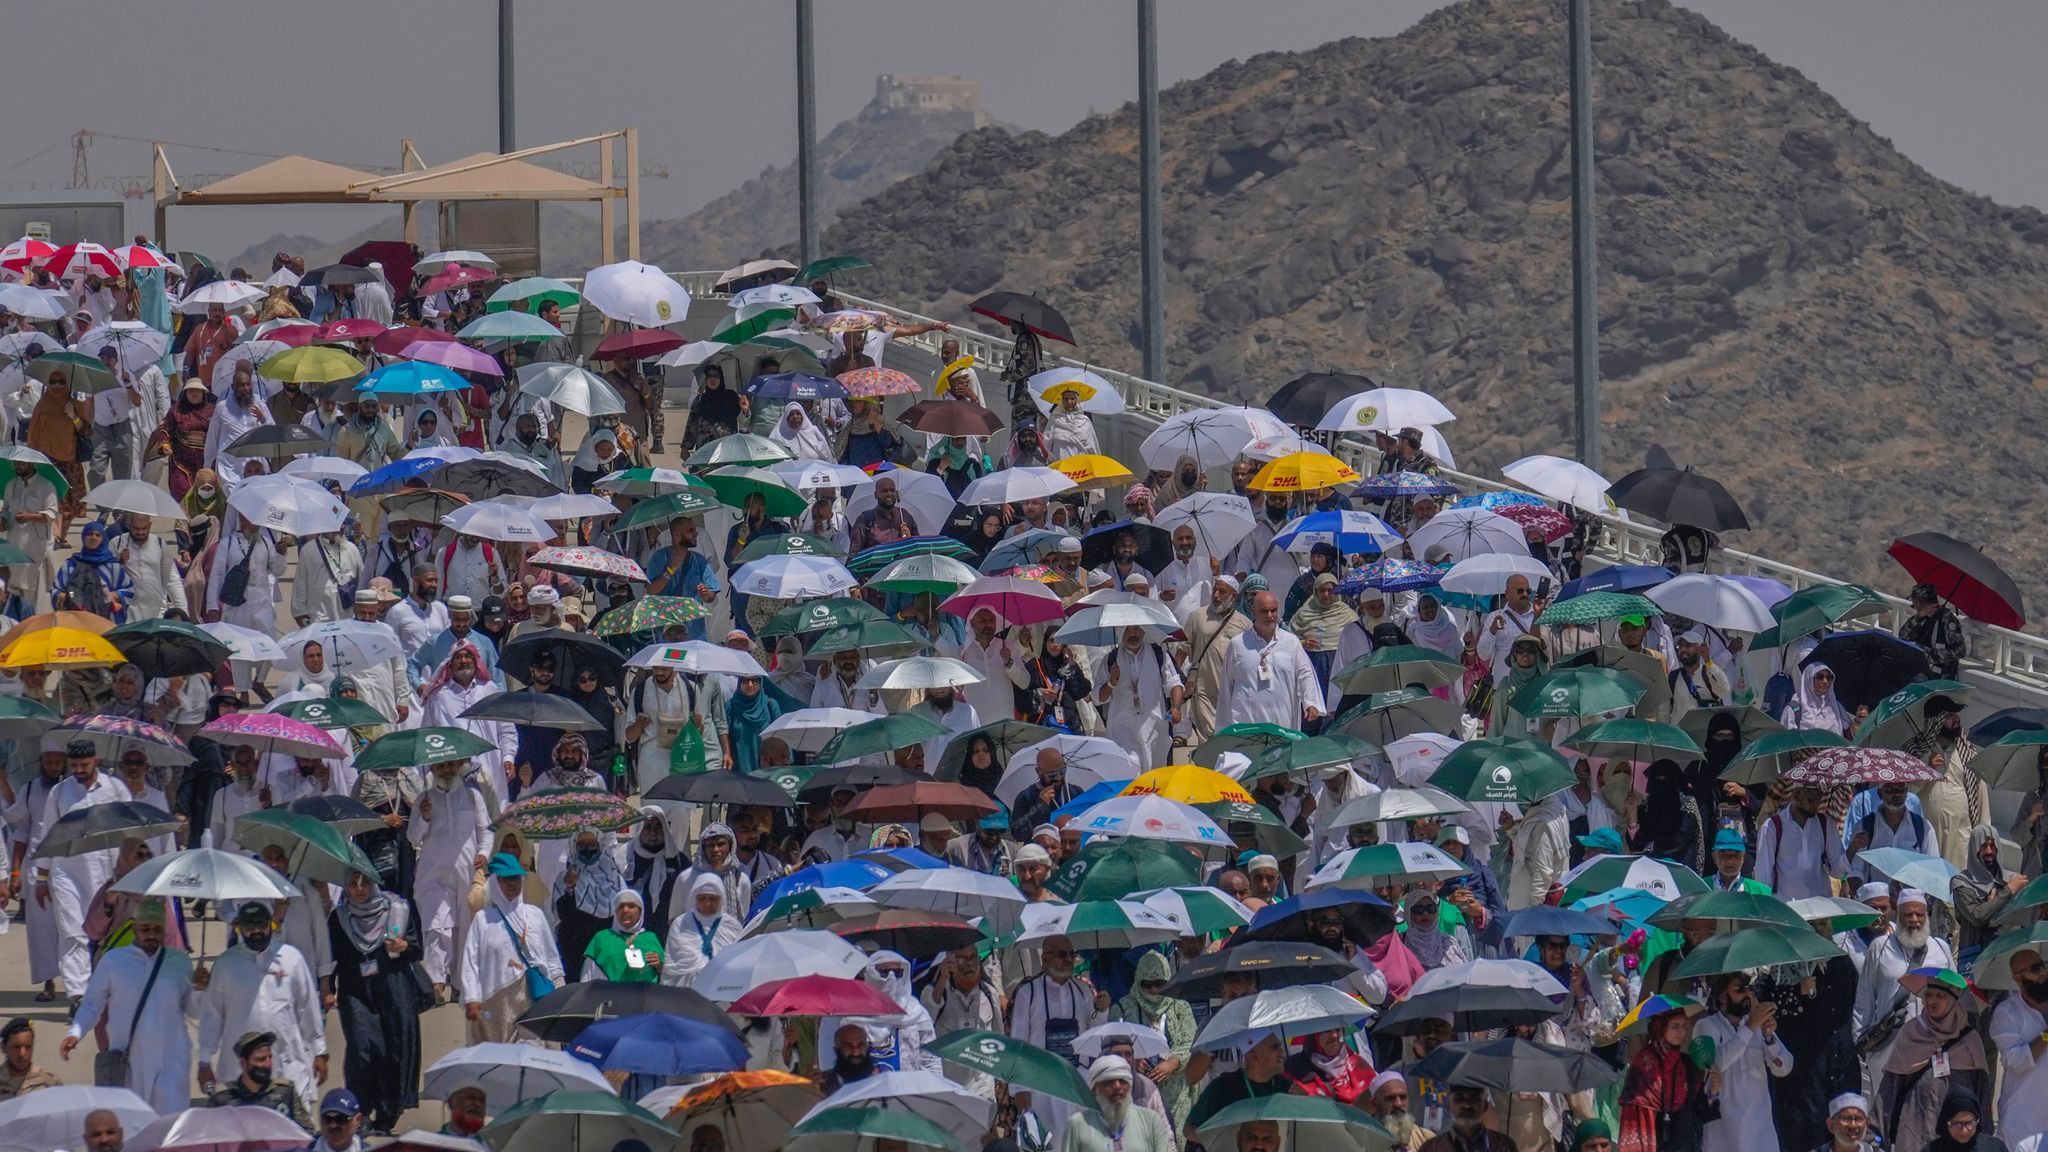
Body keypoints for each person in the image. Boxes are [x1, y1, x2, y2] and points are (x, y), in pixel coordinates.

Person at [61, 897, 194, 1113]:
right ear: (134, 927)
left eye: (157, 929)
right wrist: (75, 1032)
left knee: (170, 1130)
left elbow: (194, 1011)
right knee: (133, 1129)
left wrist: (199, 988)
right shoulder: (114, 960)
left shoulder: (179, 962)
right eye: (145, 929)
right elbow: (92, 1004)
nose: (151, 935)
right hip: (129, 1060)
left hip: (171, 1061)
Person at [197, 901, 327, 1108]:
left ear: (271, 925)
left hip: (286, 1062)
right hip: (238, 1068)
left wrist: (320, 1051)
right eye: (249, 926)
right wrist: (204, 1061)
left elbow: (307, 1008)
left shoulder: (291, 959)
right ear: (238, 927)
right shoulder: (225, 964)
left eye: (261, 925)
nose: (256, 931)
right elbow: (212, 1015)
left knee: (293, 1132)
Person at [33, 739, 133, 1004]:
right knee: (72, 932)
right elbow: (48, 835)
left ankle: (107, 989)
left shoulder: (116, 789)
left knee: (108, 933)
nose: (78, 769)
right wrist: (41, 877)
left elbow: (131, 833)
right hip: (67, 872)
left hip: (107, 873)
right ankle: (78, 995)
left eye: (84, 764)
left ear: (96, 761)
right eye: (74, 765)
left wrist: (130, 872)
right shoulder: (59, 793)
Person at [327, 869, 426, 1136]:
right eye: (352, 884)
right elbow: (332, 957)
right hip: (355, 992)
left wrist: (403, 946)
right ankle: (360, 1111)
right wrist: (326, 987)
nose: (358, 890)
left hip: (393, 990)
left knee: (393, 1050)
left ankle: (387, 1112)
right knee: (362, 1049)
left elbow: (418, 949)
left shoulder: (398, 910)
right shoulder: (340, 918)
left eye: (364, 883)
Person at [408, 757, 492, 1000]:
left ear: (458, 766)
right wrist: (423, 818)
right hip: (433, 874)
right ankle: (435, 983)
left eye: (449, 765)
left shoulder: (472, 796)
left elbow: (485, 830)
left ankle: (460, 983)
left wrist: (483, 853)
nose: (445, 770)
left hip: (466, 872)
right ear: (432, 769)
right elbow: (413, 838)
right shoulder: (424, 800)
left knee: (463, 929)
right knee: (436, 926)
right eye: (440, 765)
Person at [459, 853, 564, 1043]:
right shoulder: (483, 919)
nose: (511, 884)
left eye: (515, 878)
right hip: (493, 1001)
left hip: (531, 995)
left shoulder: (535, 915)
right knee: (494, 1057)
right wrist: (472, 998)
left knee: (530, 1051)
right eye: (505, 879)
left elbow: (551, 957)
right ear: (495, 883)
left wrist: (558, 992)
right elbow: (470, 961)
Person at [1693, 973, 1792, 1152]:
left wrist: (1768, 1036)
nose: (1747, 994)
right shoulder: (1705, 1026)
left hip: (1760, 1130)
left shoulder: (1756, 1026)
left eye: (1749, 989)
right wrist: (1750, 1027)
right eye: (1739, 990)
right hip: (1723, 1131)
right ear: (1723, 997)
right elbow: (1715, 1064)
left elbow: (1784, 1067)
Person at [1215, 591, 1324, 730]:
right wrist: (1223, 726)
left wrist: (1310, 703)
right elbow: (1226, 685)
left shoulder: (1291, 642)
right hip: (1245, 726)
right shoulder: (1238, 644)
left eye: (1273, 611)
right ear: (1253, 611)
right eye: (1264, 611)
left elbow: (1305, 674)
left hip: (1282, 724)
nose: (1269, 616)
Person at [1620, 1008, 1709, 1152]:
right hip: (1652, 1137)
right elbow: (1635, 1113)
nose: (1681, 1032)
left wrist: (1714, 1089)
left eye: (1684, 1026)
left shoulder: (1686, 1063)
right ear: (1659, 1028)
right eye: (1675, 1026)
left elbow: (1699, 1106)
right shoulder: (1644, 1064)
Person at [1064, 1056, 1175, 1152]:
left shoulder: (1150, 1120)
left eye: (1122, 1081)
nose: (1117, 1086)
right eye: (1109, 1082)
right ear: (1094, 1089)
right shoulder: (1078, 1124)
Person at [207, 1031, 309, 1127]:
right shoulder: (221, 1097)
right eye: (261, 1059)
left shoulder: (286, 1091)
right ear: (243, 1063)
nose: (268, 1064)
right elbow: (208, 1135)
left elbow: (306, 1132)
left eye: (270, 1058)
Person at [663, 873, 741, 988]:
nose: (707, 903)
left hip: (723, 989)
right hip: (687, 992)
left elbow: (738, 962)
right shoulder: (681, 924)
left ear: (720, 899)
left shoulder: (732, 926)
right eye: (702, 898)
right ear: (694, 898)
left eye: (712, 898)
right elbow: (672, 964)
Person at [581, 887, 664, 983]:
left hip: (644, 995)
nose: (625, 910)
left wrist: (659, 966)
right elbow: (588, 975)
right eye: (621, 906)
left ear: (640, 912)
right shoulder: (602, 938)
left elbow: (666, 976)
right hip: (610, 995)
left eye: (631, 906)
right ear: (615, 912)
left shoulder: (651, 938)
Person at [1900, 584, 1967, 681]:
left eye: (1915, 602)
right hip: (1919, 670)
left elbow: (1960, 651)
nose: (1914, 606)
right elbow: (1902, 637)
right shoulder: (1920, 619)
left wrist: (1930, 655)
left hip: (1939, 676)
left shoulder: (1946, 620)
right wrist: (1918, 620)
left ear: (1920, 602)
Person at [0, 1017, 57, 1099]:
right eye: (17, 1047)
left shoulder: (47, 1083)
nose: (22, 1054)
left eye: (28, 1047)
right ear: (3, 1047)